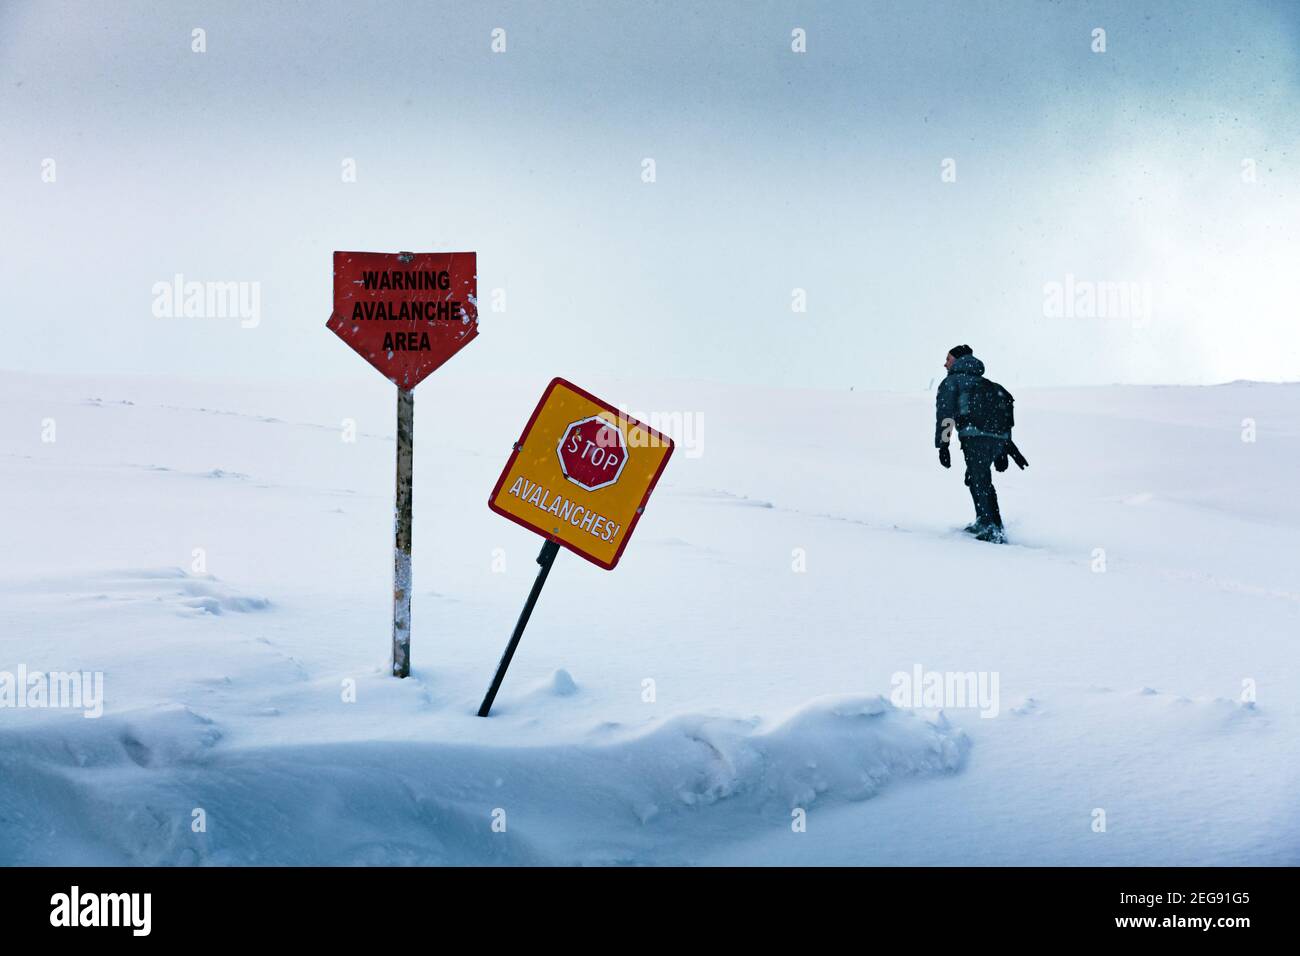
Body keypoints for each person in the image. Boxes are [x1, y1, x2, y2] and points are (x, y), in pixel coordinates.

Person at [934, 344, 1017, 543]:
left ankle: (993, 528)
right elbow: (1004, 415)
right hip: (998, 438)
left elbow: (946, 415)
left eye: (948, 359)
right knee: (975, 477)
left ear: (957, 360)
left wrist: (944, 445)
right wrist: (1004, 447)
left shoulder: (952, 382)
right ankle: (984, 520)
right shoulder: (988, 384)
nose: (944, 364)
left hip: (975, 437)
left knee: (980, 480)